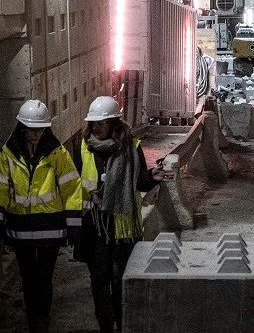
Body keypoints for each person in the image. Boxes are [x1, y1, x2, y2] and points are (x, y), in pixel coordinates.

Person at [0, 100, 82, 333]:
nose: (35, 134)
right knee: (29, 280)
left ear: (46, 129)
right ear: (21, 127)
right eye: (31, 129)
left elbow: (72, 189)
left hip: (50, 229)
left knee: (44, 278)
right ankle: (33, 323)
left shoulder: (57, 154)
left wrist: (75, 226)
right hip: (21, 231)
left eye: (39, 129)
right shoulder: (7, 156)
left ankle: (42, 323)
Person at [76, 96, 165, 333]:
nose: (96, 127)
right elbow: (76, 184)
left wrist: (151, 177)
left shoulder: (132, 147)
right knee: (99, 279)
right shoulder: (84, 146)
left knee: (120, 279)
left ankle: (124, 324)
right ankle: (106, 326)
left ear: (114, 123)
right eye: (94, 124)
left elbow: (138, 183)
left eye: (102, 123)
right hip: (95, 225)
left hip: (123, 225)